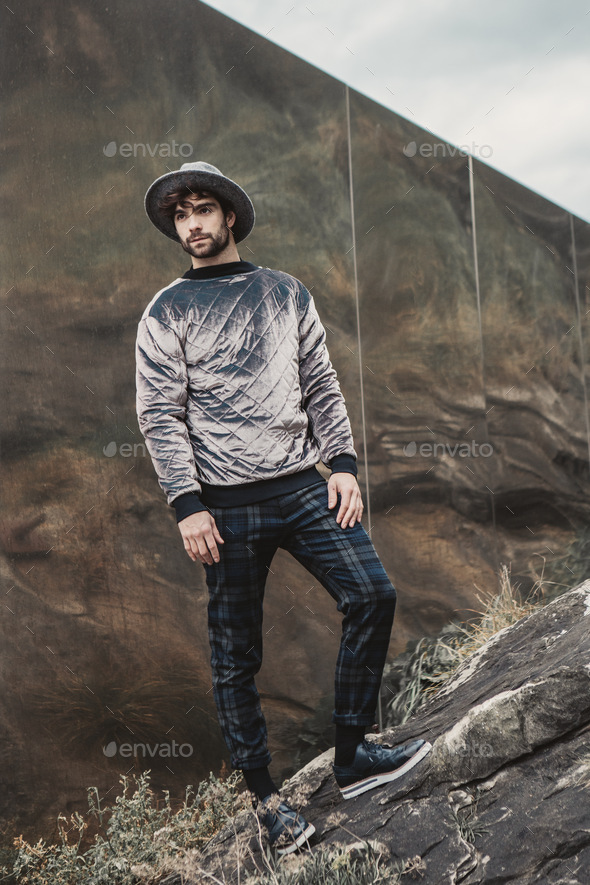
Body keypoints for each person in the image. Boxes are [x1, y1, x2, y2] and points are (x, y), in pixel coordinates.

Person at [136, 161, 431, 855]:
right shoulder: (166, 311)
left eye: (203, 210)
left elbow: (322, 386)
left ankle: (353, 753)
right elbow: (158, 416)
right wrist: (187, 504)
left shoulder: (285, 293)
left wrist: (346, 466)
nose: (193, 225)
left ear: (229, 215)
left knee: (372, 593)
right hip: (223, 509)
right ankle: (267, 800)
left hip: (303, 486)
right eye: (182, 216)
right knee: (237, 655)